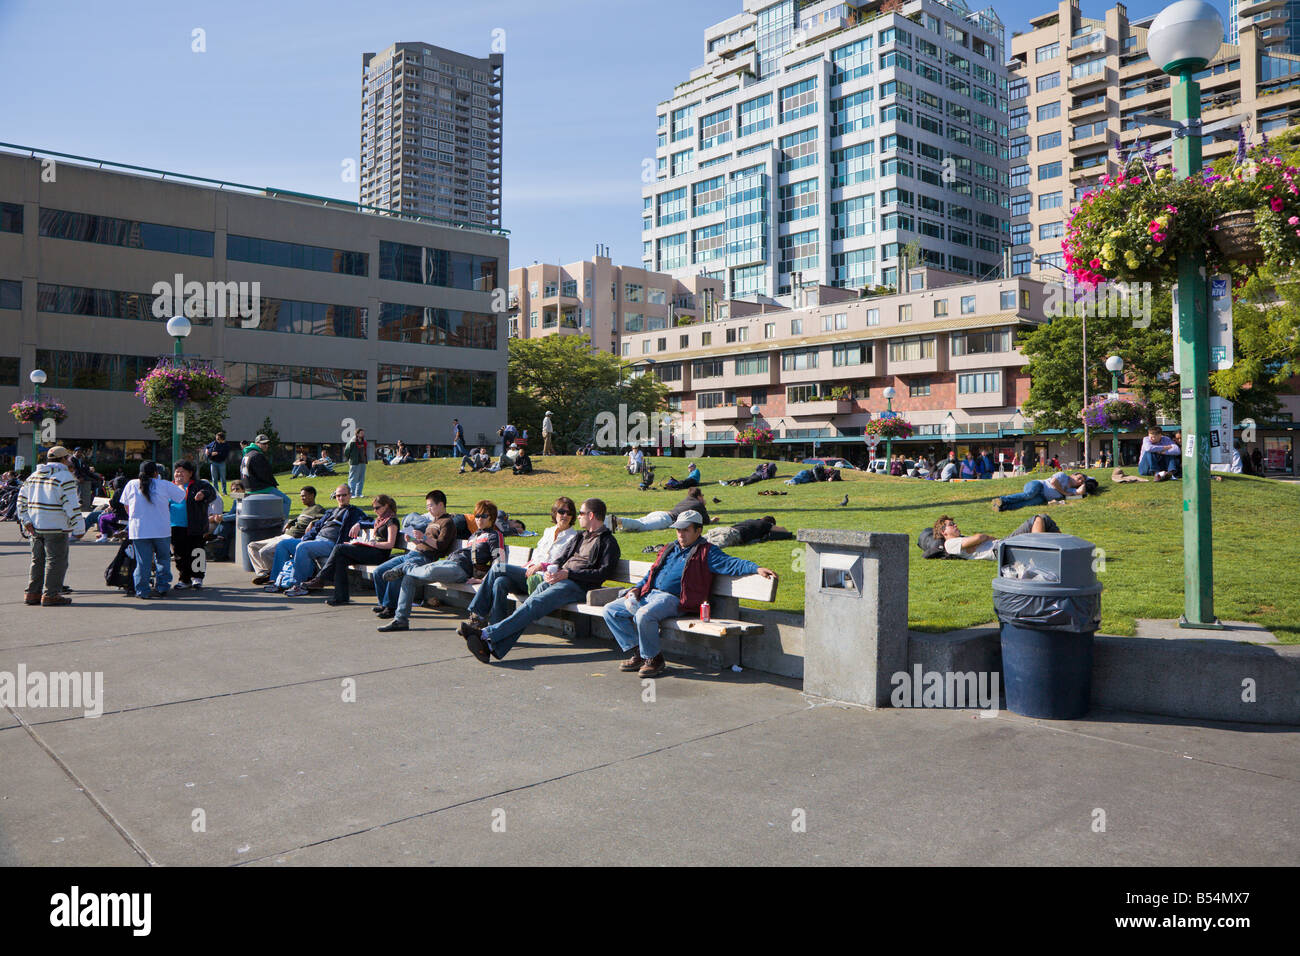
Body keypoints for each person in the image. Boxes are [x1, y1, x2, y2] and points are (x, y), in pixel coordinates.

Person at [603, 510, 776, 678]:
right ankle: (639, 653)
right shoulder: (670, 548)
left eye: (686, 530)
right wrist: (637, 588)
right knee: (610, 610)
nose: (681, 534)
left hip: (674, 600)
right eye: (679, 529)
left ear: (698, 530)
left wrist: (755, 568)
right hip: (650, 594)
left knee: (644, 614)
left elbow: (732, 563)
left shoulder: (707, 552)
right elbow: (652, 573)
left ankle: (654, 659)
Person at [458, 499, 620, 661]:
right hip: (558, 579)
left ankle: (486, 634)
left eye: (581, 513)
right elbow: (561, 558)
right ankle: (495, 647)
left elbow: (601, 574)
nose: (578, 517)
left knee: (533, 605)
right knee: (529, 604)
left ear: (591, 515)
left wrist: (568, 574)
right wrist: (553, 570)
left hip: (577, 586)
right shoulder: (580, 537)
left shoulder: (608, 542)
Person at [378, 500, 507, 632]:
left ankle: (405, 567)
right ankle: (401, 620)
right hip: (449, 563)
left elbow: (500, 562)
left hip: (461, 570)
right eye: (477, 516)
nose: (479, 520)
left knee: (427, 571)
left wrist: (483, 580)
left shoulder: (494, 536)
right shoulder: (474, 535)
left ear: (492, 518)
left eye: (483, 516)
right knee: (409, 579)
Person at [463, 496, 580, 630]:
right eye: (561, 511)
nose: (564, 515)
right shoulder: (548, 532)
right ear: (555, 513)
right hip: (527, 574)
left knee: (497, 568)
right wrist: (528, 566)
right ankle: (494, 628)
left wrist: (539, 567)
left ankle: (477, 615)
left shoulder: (574, 537)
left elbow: (564, 562)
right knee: (500, 582)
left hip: (543, 578)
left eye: (569, 513)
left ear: (572, 517)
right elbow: (537, 555)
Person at [372, 490, 457, 618]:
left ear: (440, 505)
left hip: (425, 558)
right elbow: (425, 542)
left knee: (395, 574)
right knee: (379, 571)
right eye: (427, 506)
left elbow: (440, 546)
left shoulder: (448, 522)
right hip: (413, 554)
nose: (429, 509)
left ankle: (391, 608)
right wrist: (412, 539)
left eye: (431, 506)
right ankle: (384, 603)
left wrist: (423, 537)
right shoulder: (433, 522)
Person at [16, 446, 82, 606]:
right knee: (56, 561)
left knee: (37, 560)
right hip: (56, 526)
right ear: (63, 460)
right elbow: (71, 505)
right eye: (67, 458)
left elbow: (21, 501)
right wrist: (79, 528)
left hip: (35, 525)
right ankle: (51, 594)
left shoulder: (34, 475)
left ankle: (32, 593)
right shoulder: (65, 476)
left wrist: (26, 521)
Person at [304, 494, 399, 605]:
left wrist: (373, 544)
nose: (375, 511)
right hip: (371, 550)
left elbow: (390, 544)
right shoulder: (381, 520)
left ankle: (321, 578)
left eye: (377, 508)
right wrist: (361, 539)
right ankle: (341, 597)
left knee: (339, 548)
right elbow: (369, 524)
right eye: (373, 508)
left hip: (379, 555)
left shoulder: (392, 521)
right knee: (341, 558)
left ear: (386, 506)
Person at [273, 486, 366, 595]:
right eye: (338, 495)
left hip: (331, 543)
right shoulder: (331, 512)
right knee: (283, 545)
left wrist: (359, 524)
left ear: (350, 495)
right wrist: (305, 538)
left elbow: (370, 521)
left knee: (303, 547)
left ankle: (298, 585)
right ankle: (277, 581)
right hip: (316, 540)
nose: (341, 498)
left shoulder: (354, 512)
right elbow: (317, 527)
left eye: (344, 495)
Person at [120, 460, 188, 599]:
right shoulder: (164, 485)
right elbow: (182, 497)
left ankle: (142, 590)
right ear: (156, 473)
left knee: (143, 562)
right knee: (163, 559)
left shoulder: (131, 484)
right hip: (161, 529)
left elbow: (127, 507)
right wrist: (180, 484)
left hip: (139, 530)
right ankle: (162, 587)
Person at [248, 486, 325, 584]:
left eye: (304, 496)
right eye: (301, 496)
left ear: (312, 495)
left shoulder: (318, 508)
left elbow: (324, 518)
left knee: (265, 552)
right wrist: (291, 522)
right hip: (284, 535)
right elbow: (299, 519)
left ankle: (274, 574)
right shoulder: (305, 510)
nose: (302, 498)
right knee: (252, 546)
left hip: (292, 538)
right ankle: (264, 573)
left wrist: (313, 522)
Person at [169, 461, 217, 591]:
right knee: (180, 555)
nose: (178, 474)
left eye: (182, 471)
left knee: (197, 552)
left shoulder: (199, 485)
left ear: (190, 473)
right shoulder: (169, 486)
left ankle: (198, 578)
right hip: (175, 526)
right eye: (177, 471)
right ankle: (184, 579)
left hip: (195, 526)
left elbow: (211, 493)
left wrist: (203, 494)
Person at [932, 513, 1062, 560]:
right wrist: (981, 538)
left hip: (1001, 544)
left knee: (1044, 518)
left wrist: (981, 539)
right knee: (1037, 519)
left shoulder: (960, 539)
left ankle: (1064, 548)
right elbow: (978, 538)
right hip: (999, 549)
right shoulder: (949, 544)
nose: (955, 525)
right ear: (944, 532)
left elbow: (980, 539)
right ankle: (1038, 552)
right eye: (951, 524)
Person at [611, 487, 713, 532]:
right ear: (699, 496)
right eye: (702, 496)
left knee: (640, 521)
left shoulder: (686, 500)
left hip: (660, 513)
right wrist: (703, 504)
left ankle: (619, 525)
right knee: (642, 526)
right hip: (667, 519)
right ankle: (618, 521)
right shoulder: (698, 504)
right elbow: (706, 521)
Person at [991, 472, 1097, 512]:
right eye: (1079, 478)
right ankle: (1002, 499)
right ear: (1073, 475)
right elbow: (1053, 482)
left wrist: (1085, 484)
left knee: (1027, 504)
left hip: (1043, 498)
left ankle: (1003, 507)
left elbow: (1081, 493)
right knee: (1028, 495)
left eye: (1081, 481)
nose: (1079, 481)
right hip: (1038, 485)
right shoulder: (1063, 475)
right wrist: (1064, 493)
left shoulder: (1072, 490)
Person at [241, 434, 291, 519]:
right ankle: (282, 524)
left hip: (248, 489)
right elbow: (265, 475)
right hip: (260, 488)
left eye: (267, 443)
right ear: (257, 443)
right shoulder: (257, 455)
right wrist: (274, 486)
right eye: (263, 444)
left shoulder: (247, 455)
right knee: (286, 501)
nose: (266, 445)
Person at [704, 514, 777, 548]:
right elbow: (781, 531)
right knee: (706, 548)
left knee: (698, 541)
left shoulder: (751, 521)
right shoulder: (765, 524)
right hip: (732, 535)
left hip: (724, 529)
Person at [343, 427, 368, 496]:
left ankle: (359, 493)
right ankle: (352, 494)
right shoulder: (352, 441)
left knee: (361, 478)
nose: (363, 434)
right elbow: (346, 451)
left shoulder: (364, 441)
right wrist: (350, 459)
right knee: (353, 478)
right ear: (357, 434)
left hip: (362, 462)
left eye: (363, 433)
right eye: (361, 433)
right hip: (354, 462)